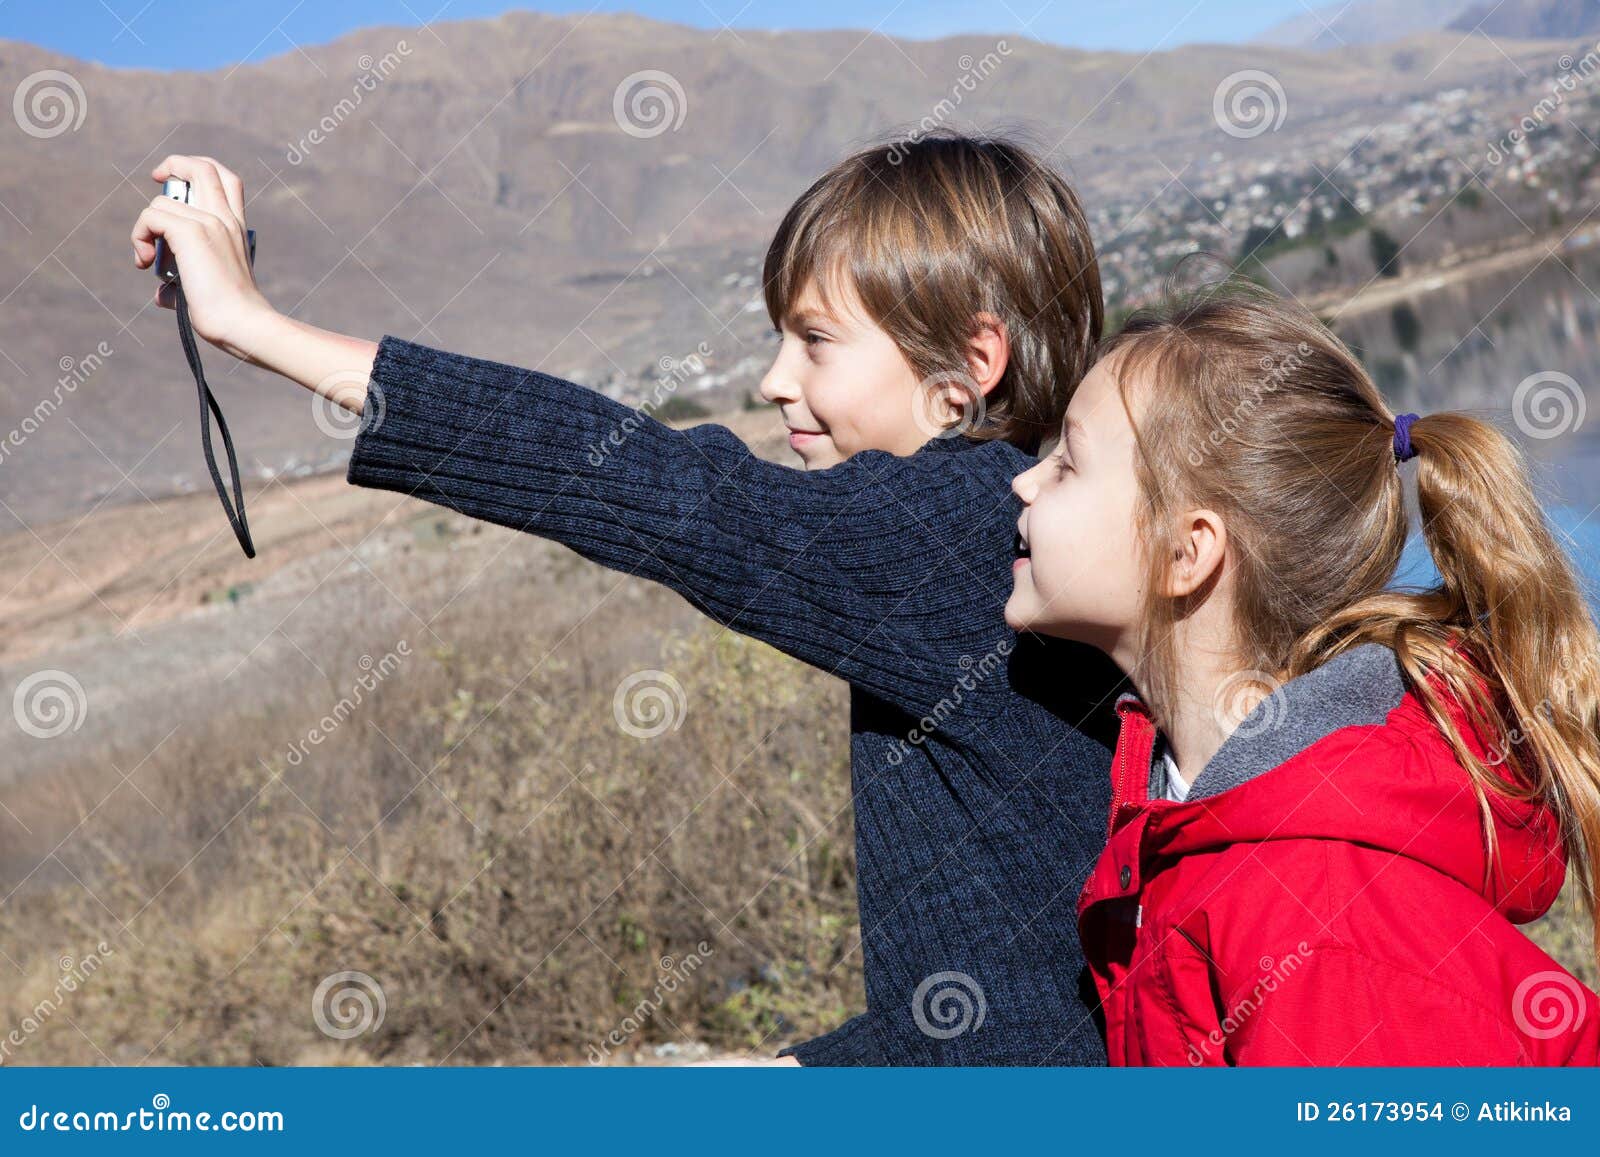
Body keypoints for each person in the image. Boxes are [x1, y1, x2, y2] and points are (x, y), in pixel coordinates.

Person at [130, 135, 1125, 1064]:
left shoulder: (957, 526)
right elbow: (1001, 981)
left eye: (816, 342)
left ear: (968, 368)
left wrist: (253, 325)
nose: (776, 379)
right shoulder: (1002, 531)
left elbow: (661, 491)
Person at [1006, 278, 1600, 1064]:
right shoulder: (1196, 828)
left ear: (1187, 553)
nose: (1023, 480)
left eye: (1068, 464)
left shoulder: (1309, 918)